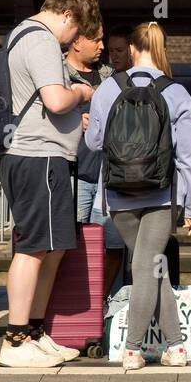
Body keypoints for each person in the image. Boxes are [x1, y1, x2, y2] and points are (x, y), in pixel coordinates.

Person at [86, 21, 191, 369]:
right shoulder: (177, 92)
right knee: (151, 267)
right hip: (162, 195)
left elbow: (93, 144)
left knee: (149, 267)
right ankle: (156, 348)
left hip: (120, 196)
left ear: (133, 49)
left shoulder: (108, 88)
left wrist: (90, 123)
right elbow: (187, 156)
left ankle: (151, 347)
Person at [0, 0, 99, 368]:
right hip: (37, 157)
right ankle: (15, 340)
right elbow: (55, 100)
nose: (74, 41)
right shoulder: (40, 41)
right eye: (78, 31)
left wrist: (75, 118)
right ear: (69, 17)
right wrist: (81, 94)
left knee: (51, 247)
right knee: (33, 248)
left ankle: (35, 333)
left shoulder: (22, 36)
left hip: (44, 156)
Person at [67, 24, 125, 295]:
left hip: (107, 177)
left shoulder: (111, 77)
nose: (104, 49)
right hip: (74, 175)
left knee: (114, 244)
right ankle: (77, 302)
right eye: (98, 41)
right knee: (72, 243)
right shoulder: (55, 75)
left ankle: (99, 302)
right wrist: (73, 119)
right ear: (77, 41)